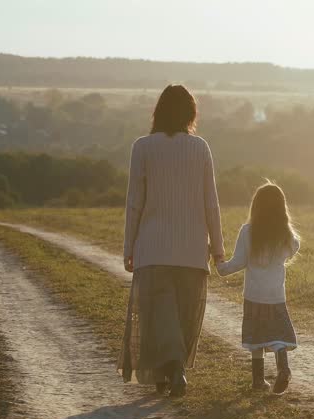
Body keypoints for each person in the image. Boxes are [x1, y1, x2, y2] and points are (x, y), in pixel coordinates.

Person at [119, 84, 225, 397]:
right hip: (192, 250)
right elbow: (211, 204)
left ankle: (171, 371)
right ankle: (173, 370)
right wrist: (218, 249)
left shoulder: (142, 147)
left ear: (158, 112)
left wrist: (128, 248)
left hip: (152, 248)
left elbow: (134, 203)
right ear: (191, 113)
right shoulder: (200, 148)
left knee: (157, 315)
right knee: (183, 314)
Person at [216, 183, 300, 394]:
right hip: (275, 296)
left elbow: (239, 262)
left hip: (254, 296)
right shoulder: (285, 233)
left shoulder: (248, 231)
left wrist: (220, 267)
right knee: (277, 335)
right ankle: (283, 367)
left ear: (256, 206)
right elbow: (295, 246)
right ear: (282, 208)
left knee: (256, 337)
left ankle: (258, 380)